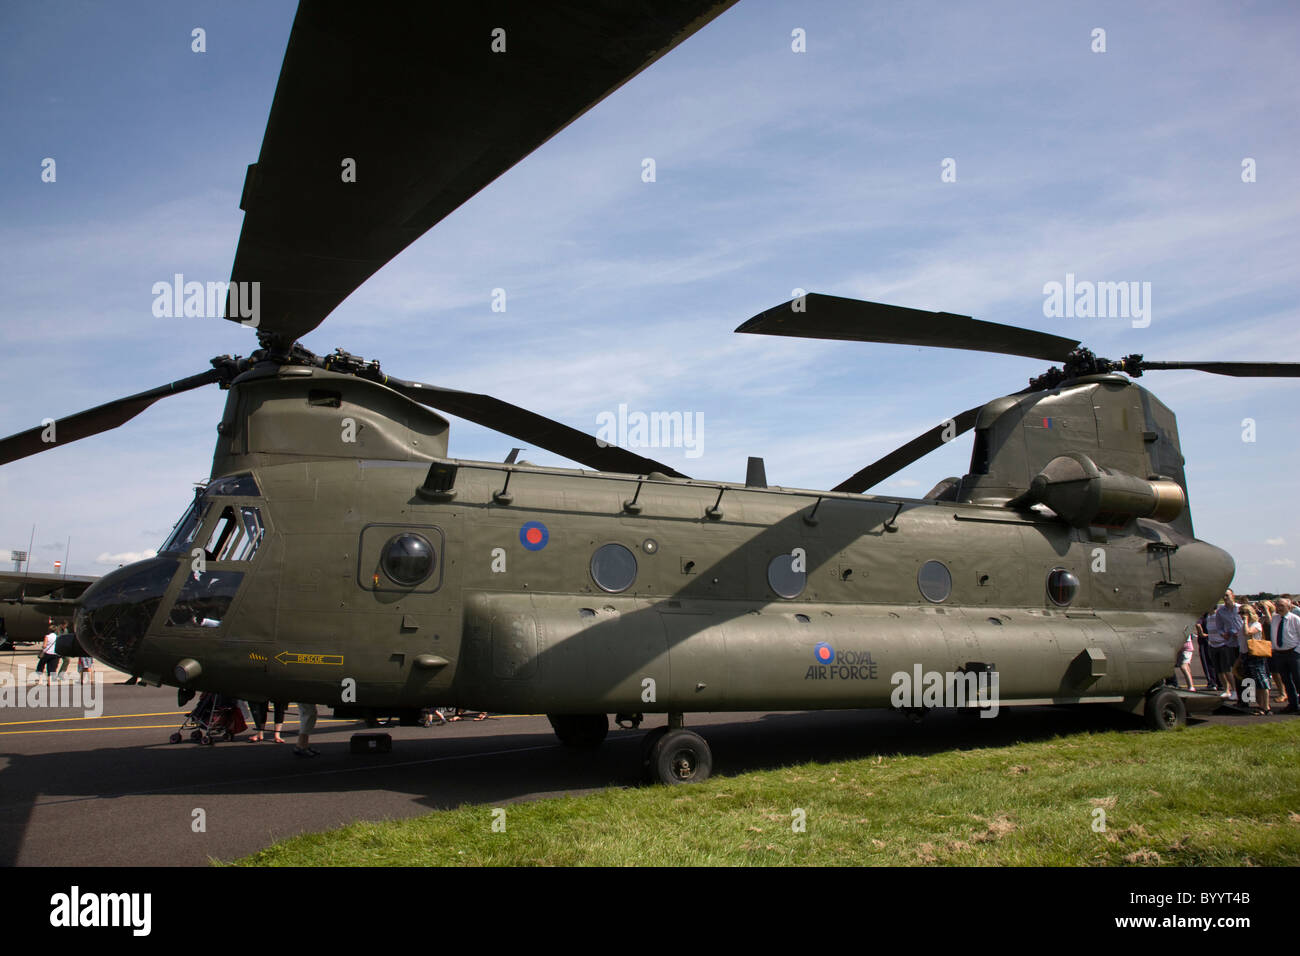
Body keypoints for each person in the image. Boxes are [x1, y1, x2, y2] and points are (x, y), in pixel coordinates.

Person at [1239, 603, 1271, 715]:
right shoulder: (1245, 624)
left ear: (1249, 613)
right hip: (1245, 655)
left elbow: (1247, 632)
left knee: (1262, 681)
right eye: (1240, 613)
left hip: (1255, 656)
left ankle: (1266, 707)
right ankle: (1260, 705)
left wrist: (1245, 621)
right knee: (1253, 682)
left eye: (1243, 613)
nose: (1241, 615)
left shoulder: (1256, 624)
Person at [1271, 595, 1300, 714]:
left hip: (1293, 653)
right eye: (1277, 605)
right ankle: (1293, 704)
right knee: (1286, 681)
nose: (1279, 608)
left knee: (1298, 679)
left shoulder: (1295, 619)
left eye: (1282, 605)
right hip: (1280, 654)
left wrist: (1296, 651)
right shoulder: (1275, 619)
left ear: (1289, 607)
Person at [1213, 590, 1242, 700]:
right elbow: (1219, 627)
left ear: (1233, 596)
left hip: (1243, 643)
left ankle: (1249, 697)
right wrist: (1222, 634)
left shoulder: (1240, 608)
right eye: (1223, 595)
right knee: (1235, 671)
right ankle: (1239, 696)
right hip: (1231, 643)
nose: (1225, 598)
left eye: (1227, 595)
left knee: (1246, 671)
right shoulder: (1221, 611)